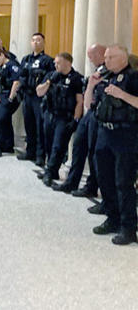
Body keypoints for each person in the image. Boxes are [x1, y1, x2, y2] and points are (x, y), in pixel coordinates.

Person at [90, 45, 138, 245]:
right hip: (104, 133)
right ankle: (112, 217)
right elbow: (88, 105)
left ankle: (128, 227)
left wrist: (121, 95)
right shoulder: (105, 76)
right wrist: (91, 86)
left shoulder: (134, 77)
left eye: (110, 57)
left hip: (126, 135)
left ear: (122, 58)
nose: (106, 60)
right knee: (105, 178)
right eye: (106, 57)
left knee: (123, 181)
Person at [52, 44, 106, 196]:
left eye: (92, 55)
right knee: (78, 146)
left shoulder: (108, 72)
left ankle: (91, 186)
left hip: (99, 114)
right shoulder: (98, 71)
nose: (89, 59)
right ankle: (71, 182)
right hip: (90, 112)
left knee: (93, 152)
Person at [35, 52, 84, 187]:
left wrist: (76, 119)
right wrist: (49, 82)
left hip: (64, 117)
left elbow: (79, 101)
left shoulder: (76, 78)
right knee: (49, 143)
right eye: (55, 62)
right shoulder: (51, 75)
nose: (55, 65)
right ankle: (52, 170)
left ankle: (50, 172)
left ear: (68, 63)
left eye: (58, 63)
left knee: (58, 145)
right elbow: (39, 92)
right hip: (50, 114)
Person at [17, 33, 55, 167]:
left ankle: (40, 155)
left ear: (44, 42)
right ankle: (30, 151)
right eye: (33, 40)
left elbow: (51, 79)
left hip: (39, 98)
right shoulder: (26, 59)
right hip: (27, 96)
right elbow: (21, 76)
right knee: (29, 124)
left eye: (39, 40)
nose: (36, 43)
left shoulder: (48, 60)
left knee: (40, 126)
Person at [0, 48, 21, 157]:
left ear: (2, 55)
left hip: (8, 96)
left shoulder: (12, 65)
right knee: (5, 120)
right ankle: (8, 145)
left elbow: (16, 82)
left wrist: (11, 98)